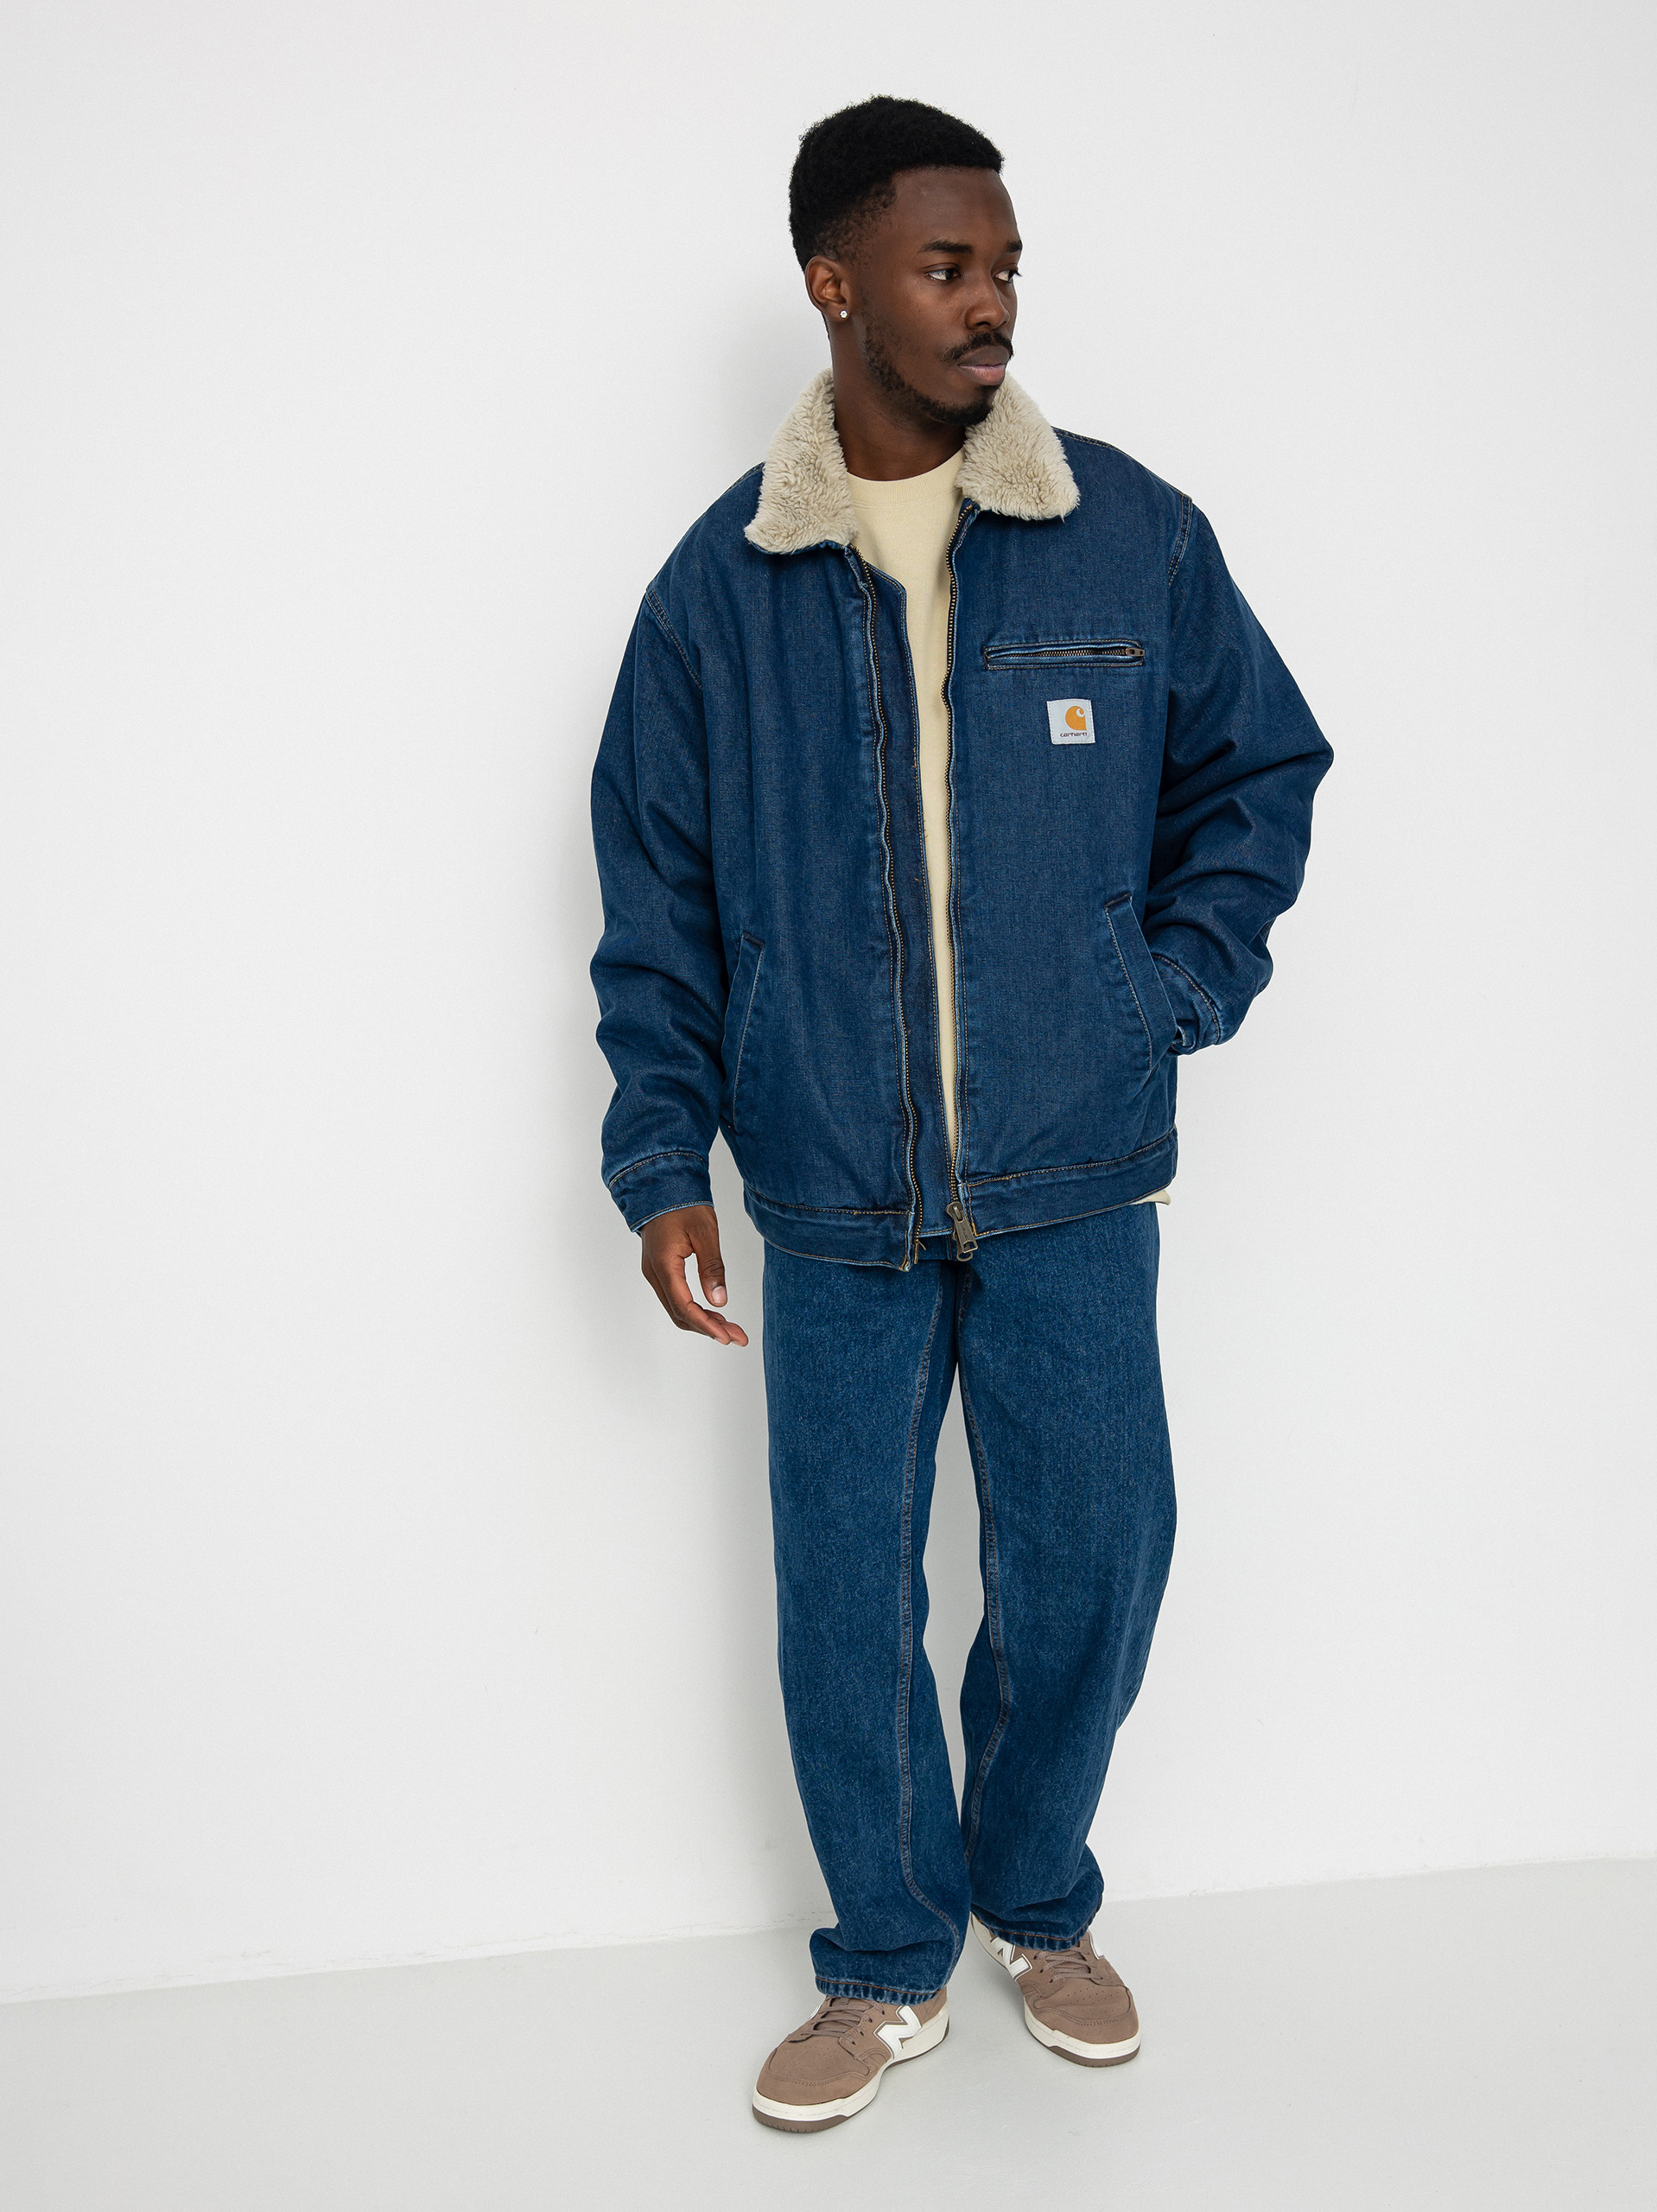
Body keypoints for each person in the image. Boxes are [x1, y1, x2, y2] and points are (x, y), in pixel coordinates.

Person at [589, 95, 1331, 2133]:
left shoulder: (1128, 531)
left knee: (1095, 1555)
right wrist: (662, 1153)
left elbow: (1259, 775)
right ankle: (884, 1957)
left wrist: (1162, 993)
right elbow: (655, 897)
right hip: (831, 1177)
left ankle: (1037, 1894)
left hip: (1074, 1162)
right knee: (847, 1592)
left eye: (1005, 265)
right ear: (834, 283)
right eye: (946, 266)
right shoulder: (722, 591)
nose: (991, 301)